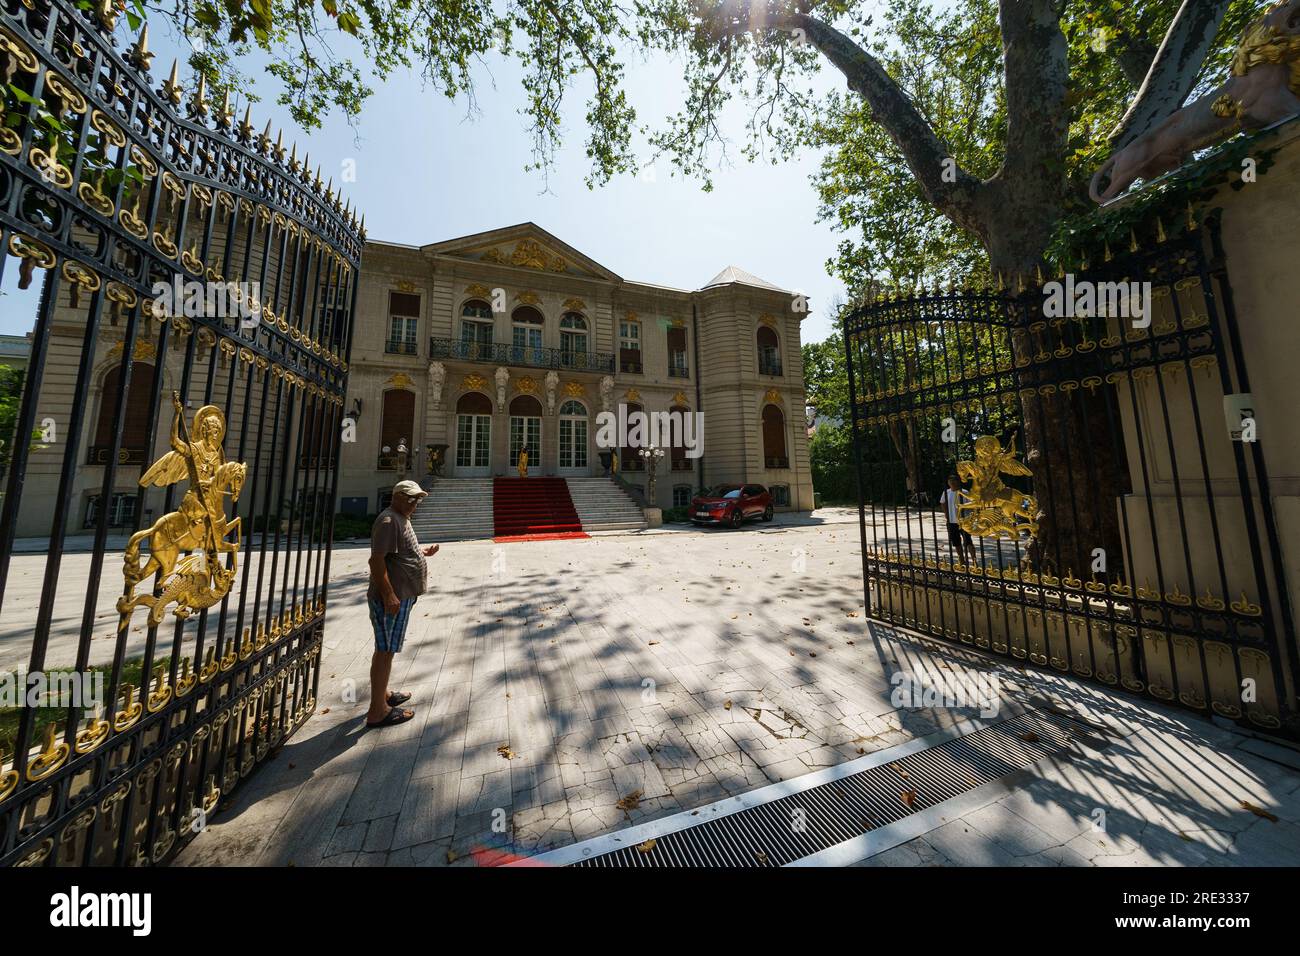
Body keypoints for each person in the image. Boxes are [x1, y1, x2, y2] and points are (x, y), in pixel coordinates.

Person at [366, 479, 439, 728]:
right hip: (391, 599)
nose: (414, 503)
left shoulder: (400, 517)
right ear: (395, 497)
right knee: (385, 650)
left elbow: (399, 550)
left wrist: (421, 552)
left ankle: (383, 694)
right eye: (410, 498)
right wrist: (388, 595)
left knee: (387, 648)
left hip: (401, 595)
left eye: (417, 499)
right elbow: (376, 562)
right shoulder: (388, 520)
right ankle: (378, 711)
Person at [938, 474, 978, 565]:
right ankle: (961, 560)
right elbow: (942, 502)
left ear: (958, 481)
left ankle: (974, 560)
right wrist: (946, 514)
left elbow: (972, 505)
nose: (952, 482)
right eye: (950, 481)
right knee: (956, 542)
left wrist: (970, 516)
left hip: (964, 522)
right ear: (948, 483)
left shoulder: (965, 492)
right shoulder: (946, 492)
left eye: (954, 480)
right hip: (951, 521)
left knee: (968, 541)